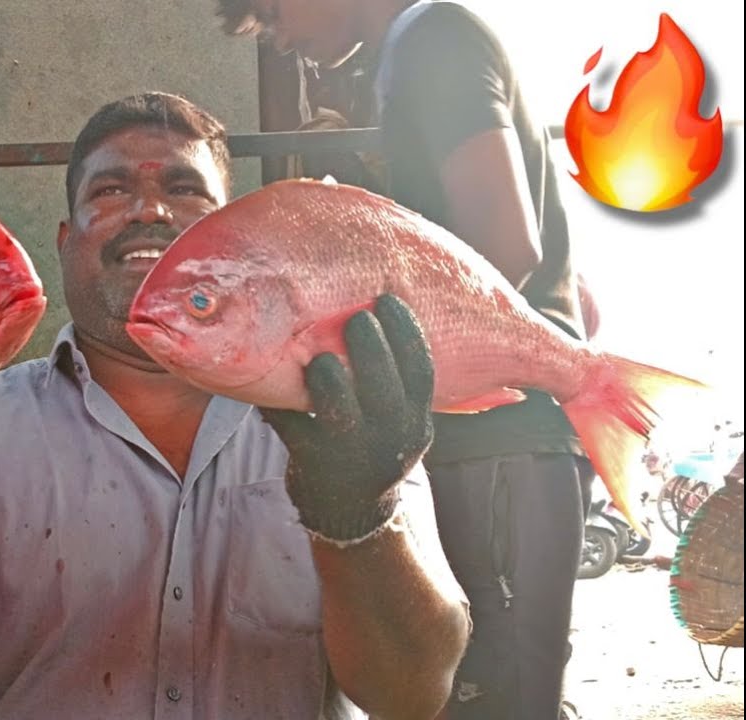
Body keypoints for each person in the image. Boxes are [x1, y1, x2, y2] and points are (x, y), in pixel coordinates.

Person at [0, 91, 470, 719]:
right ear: (65, 242)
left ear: (238, 242)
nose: (149, 208)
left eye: (185, 190)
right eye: (110, 191)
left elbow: (410, 693)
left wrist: (357, 519)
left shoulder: (345, 423)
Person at [214, 3, 594, 719]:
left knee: (499, 696)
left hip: (498, 437)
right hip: (469, 434)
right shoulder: (401, 57)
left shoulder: (434, 38)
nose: (278, 35)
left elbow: (506, 247)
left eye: (270, 12)